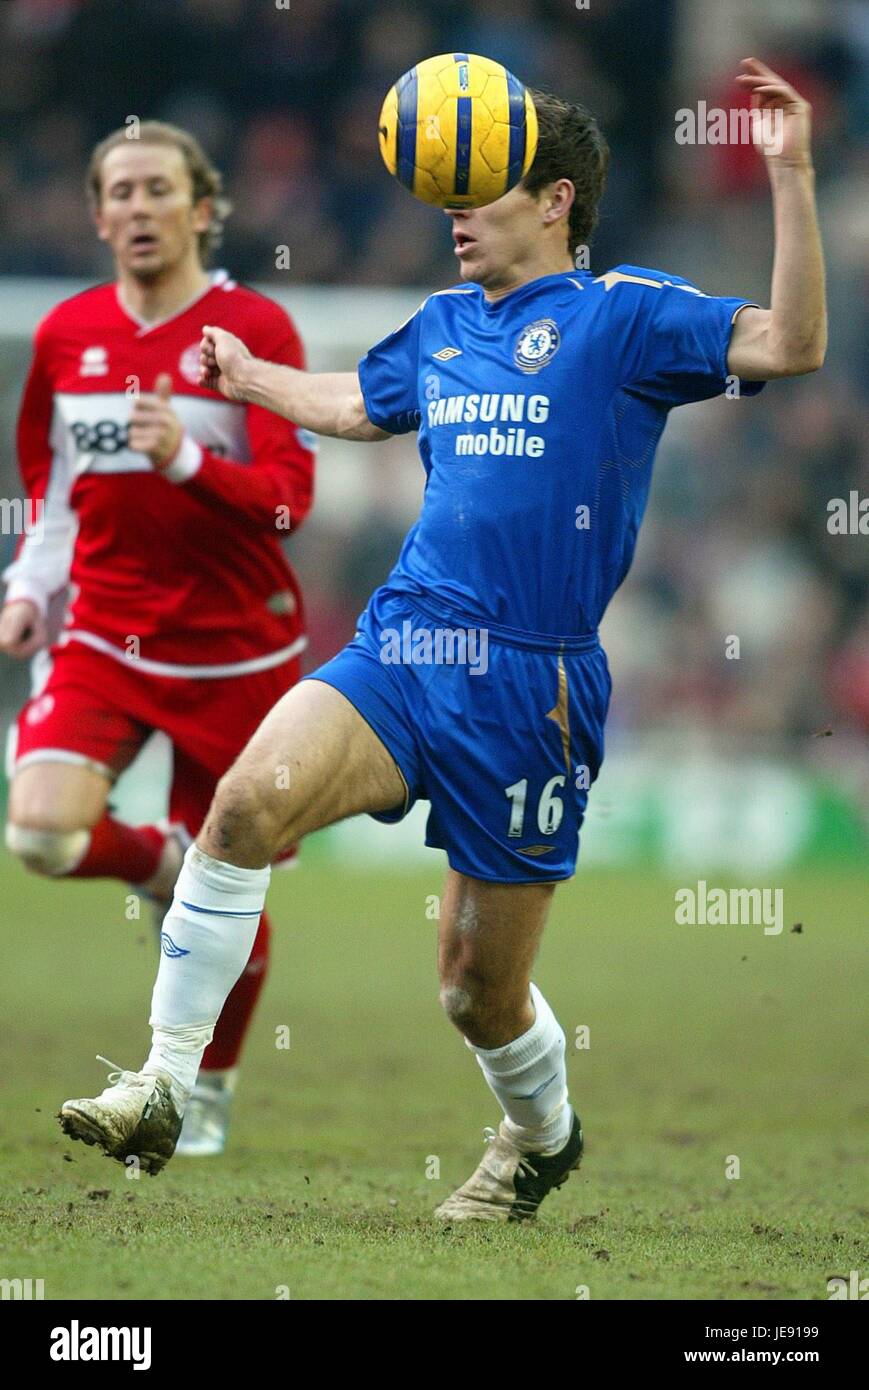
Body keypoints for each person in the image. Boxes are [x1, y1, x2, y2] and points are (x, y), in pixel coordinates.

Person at [59, 61, 825, 1220]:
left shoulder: (625, 315)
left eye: (478, 188)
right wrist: (249, 373)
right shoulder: (438, 327)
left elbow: (792, 344)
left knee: (474, 992)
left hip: (537, 684)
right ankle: (163, 1082)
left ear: (555, 198)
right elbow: (357, 407)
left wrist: (789, 174)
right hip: (406, 648)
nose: (452, 213)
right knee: (244, 805)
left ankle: (539, 1133)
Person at [2, 121, 315, 1156]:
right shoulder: (64, 335)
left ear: (202, 206)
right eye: (119, 191)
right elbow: (51, 491)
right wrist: (28, 591)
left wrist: (186, 458)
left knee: (232, 879)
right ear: (97, 215)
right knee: (40, 834)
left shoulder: (254, 326)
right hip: (103, 635)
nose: (138, 207)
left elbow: (287, 502)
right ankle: (159, 859)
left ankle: (205, 1092)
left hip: (238, 651)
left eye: (158, 189)